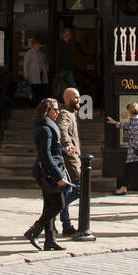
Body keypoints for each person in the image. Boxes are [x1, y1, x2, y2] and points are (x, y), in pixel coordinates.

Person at [24, 97, 67, 252]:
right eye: (55, 109)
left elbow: (53, 150)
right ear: (47, 111)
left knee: (49, 205)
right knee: (58, 204)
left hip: (48, 171)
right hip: (47, 173)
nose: (58, 111)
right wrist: (58, 176)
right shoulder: (45, 129)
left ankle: (50, 241)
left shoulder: (49, 127)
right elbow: (45, 155)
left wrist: (64, 150)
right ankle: (34, 231)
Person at [109, 102, 138, 196]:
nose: (127, 113)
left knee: (136, 169)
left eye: (128, 111)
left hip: (136, 150)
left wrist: (134, 146)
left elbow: (136, 135)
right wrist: (115, 123)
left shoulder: (136, 120)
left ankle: (123, 188)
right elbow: (128, 127)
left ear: (130, 110)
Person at [56, 86, 83, 235]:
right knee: (78, 188)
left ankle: (66, 224)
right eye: (76, 98)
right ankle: (56, 209)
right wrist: (68, 144)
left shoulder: (71, 113)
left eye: (78, 97)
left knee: (70, 190)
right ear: (67, 99)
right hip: (71, 160)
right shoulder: (66, 113)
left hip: (75, 158)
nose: (78, 100)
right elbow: (62, 129)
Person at [23, 39, 49, 108]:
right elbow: (25, 64)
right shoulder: (29, 53)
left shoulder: (39, 53)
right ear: (34, 45)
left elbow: (43, 62)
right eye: (38, 45)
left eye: (40, 45)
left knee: (39, 89)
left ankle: (38, 104)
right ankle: (33, 104)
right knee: (34, 89)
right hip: (33, 75)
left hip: (40, 73)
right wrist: (26, 74)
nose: (39, 46)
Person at [57, 28, 77, 93]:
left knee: (69, 87)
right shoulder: (60, 45)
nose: (70, 36)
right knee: (70, 87)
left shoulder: (67, 44)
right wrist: (59, 71)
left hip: (68, 69)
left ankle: (70, 101)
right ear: (66, 35)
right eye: (69, 35)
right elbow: (59, 58)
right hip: (64, 69)